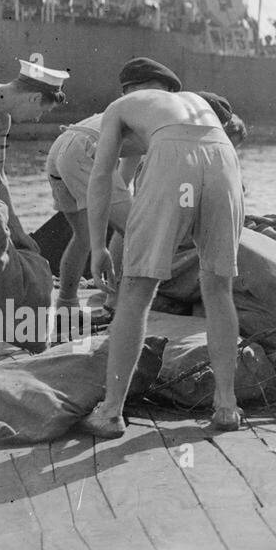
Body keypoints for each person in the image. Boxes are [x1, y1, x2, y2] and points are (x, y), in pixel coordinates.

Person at [78, 79, 244, 438]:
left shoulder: (117, 110)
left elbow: (101, 177)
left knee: (136, 290)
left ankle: (110, 412)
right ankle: (227, 405)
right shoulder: (181, 102)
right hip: (224, 154)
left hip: (173, 154)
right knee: (218, 286)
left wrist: (98, 248)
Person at [45, 58, 183, 320]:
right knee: (138, 232)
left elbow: (123, 183)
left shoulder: (120, 113)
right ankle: (118, 303)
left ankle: (66, 302)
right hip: (85, 150)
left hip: (62, 147)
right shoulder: (150, 116)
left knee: (85, 235)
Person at [0, 58, 69, 256]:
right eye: (41, 111)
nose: (37, 119)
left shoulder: (0, 120)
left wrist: (18, 233)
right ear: (33, 98)